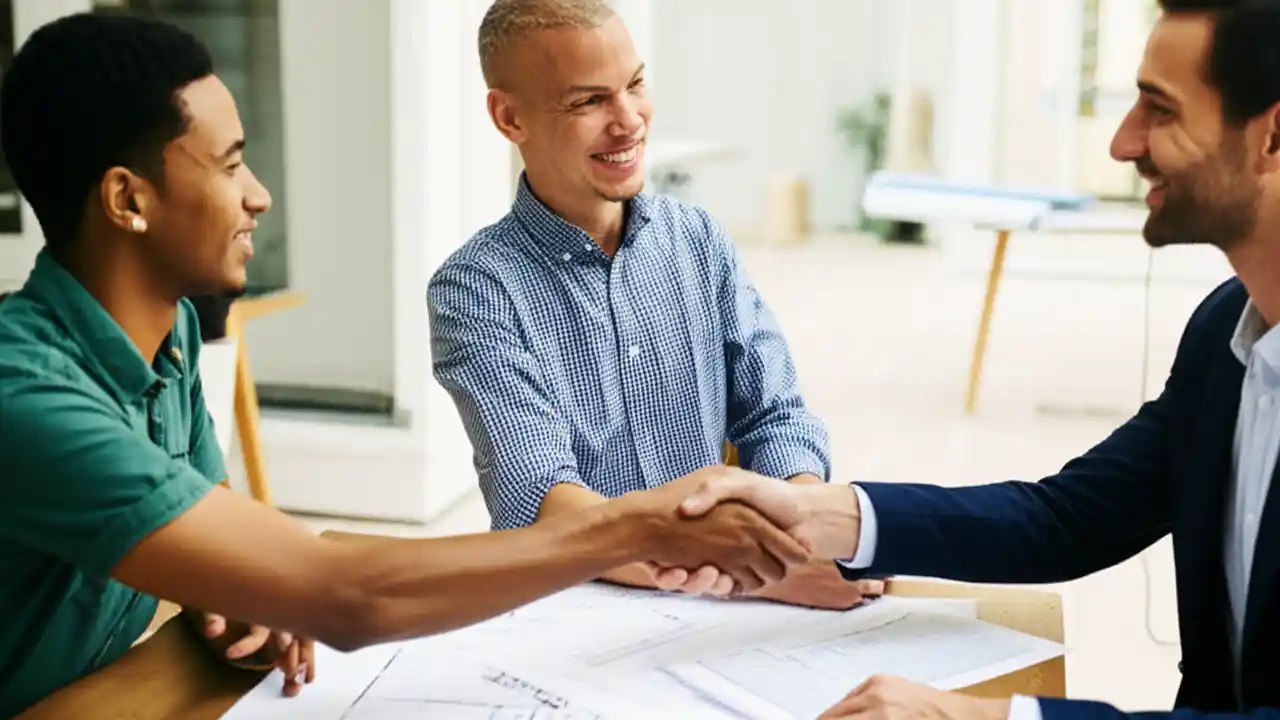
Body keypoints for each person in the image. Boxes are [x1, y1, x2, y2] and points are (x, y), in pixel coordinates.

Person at [0, 13, 811, 717]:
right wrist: (637, 527)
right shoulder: (24, 393)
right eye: (229, 164)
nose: (260, 196)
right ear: (128, 201)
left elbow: (234, 545)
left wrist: (242, 598)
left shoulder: (167, 334)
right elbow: (341, 595)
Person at [683, 2, 1280, 717]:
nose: (1124, 144)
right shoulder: (1226, 333)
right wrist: (824, 514)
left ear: (1270, 137)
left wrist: (988, 717)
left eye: (1160, 110)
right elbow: (1068, 520)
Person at [427, 0, 880, 610]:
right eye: (588, 101)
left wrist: (800, 532)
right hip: (573, 608)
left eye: (635, 85)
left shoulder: (700, 241)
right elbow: (541, 497)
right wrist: (756, 568)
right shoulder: (475, 289)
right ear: (510, 117)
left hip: (732, 599)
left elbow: (775, 417)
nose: (629, 120)